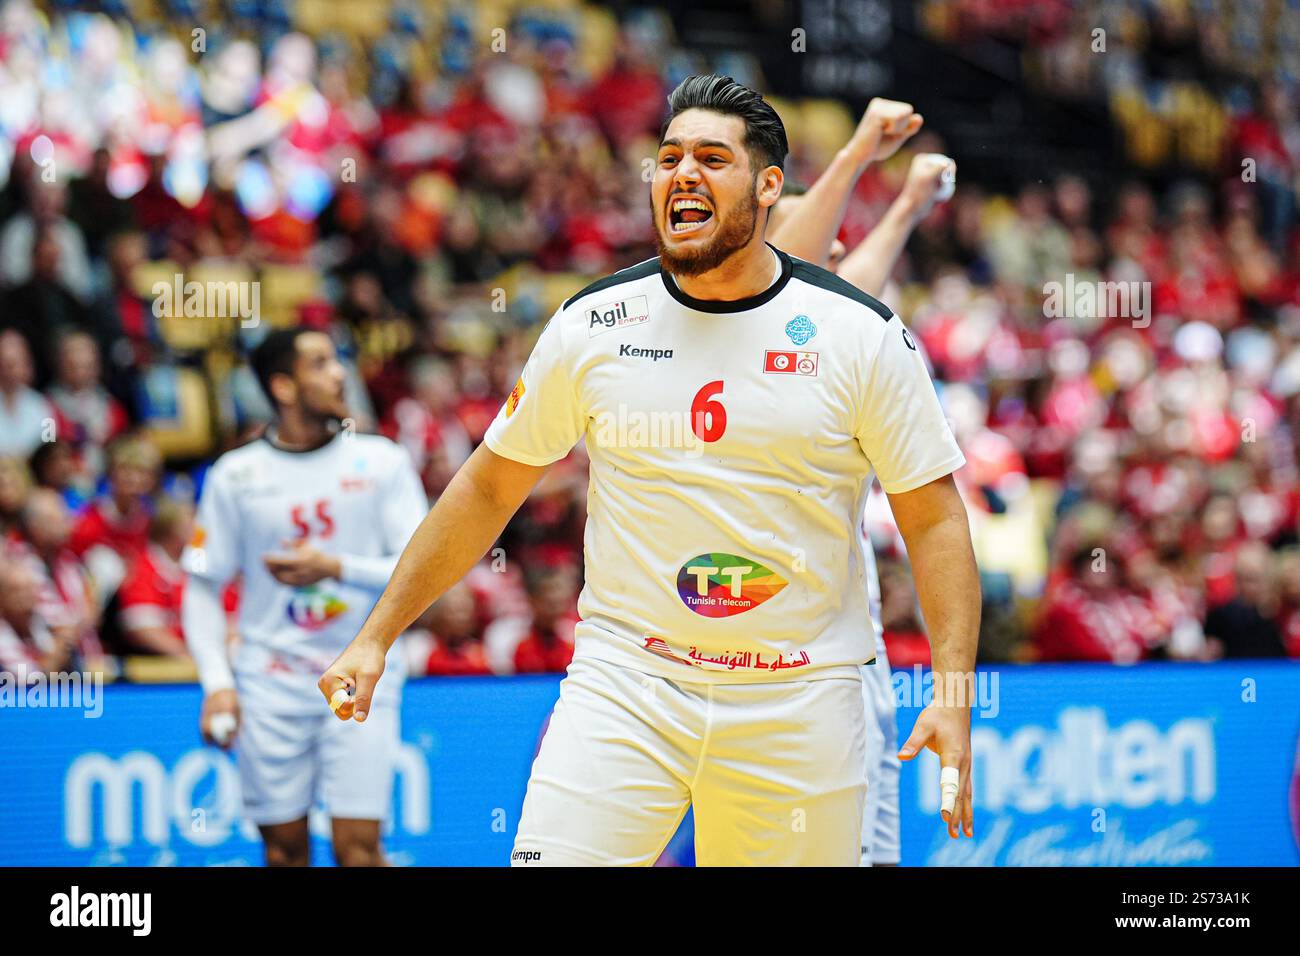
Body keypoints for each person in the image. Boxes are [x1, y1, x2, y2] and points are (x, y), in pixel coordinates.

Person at [321, 75, 979, 866]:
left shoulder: (859, 334)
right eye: (668, 160)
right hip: (626, 685)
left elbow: (934, 517)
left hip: (798, 704)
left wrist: (953, 693)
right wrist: (377, 634)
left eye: (711, 157)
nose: (683, 175)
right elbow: (491, 486)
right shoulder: (593, 324)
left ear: (770, 186)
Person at [767, 100, 960, 866]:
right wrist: (858, 157)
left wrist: (908, 204)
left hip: (857, 640)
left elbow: (849, 289)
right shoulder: (749, 333)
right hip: (783, 654)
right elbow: (808, 276)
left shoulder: (827, 344)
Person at [180, 327, 428, 867]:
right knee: (283, 850)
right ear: (283, 386)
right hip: (268, 682)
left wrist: (333, 567)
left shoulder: (381, 462)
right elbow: (201, 586)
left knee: (357, 850)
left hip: (361, 678)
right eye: (320, 363)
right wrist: (218, 685)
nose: (339, 372)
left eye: (336, 359)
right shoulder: (235, 475)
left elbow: (420, 570)